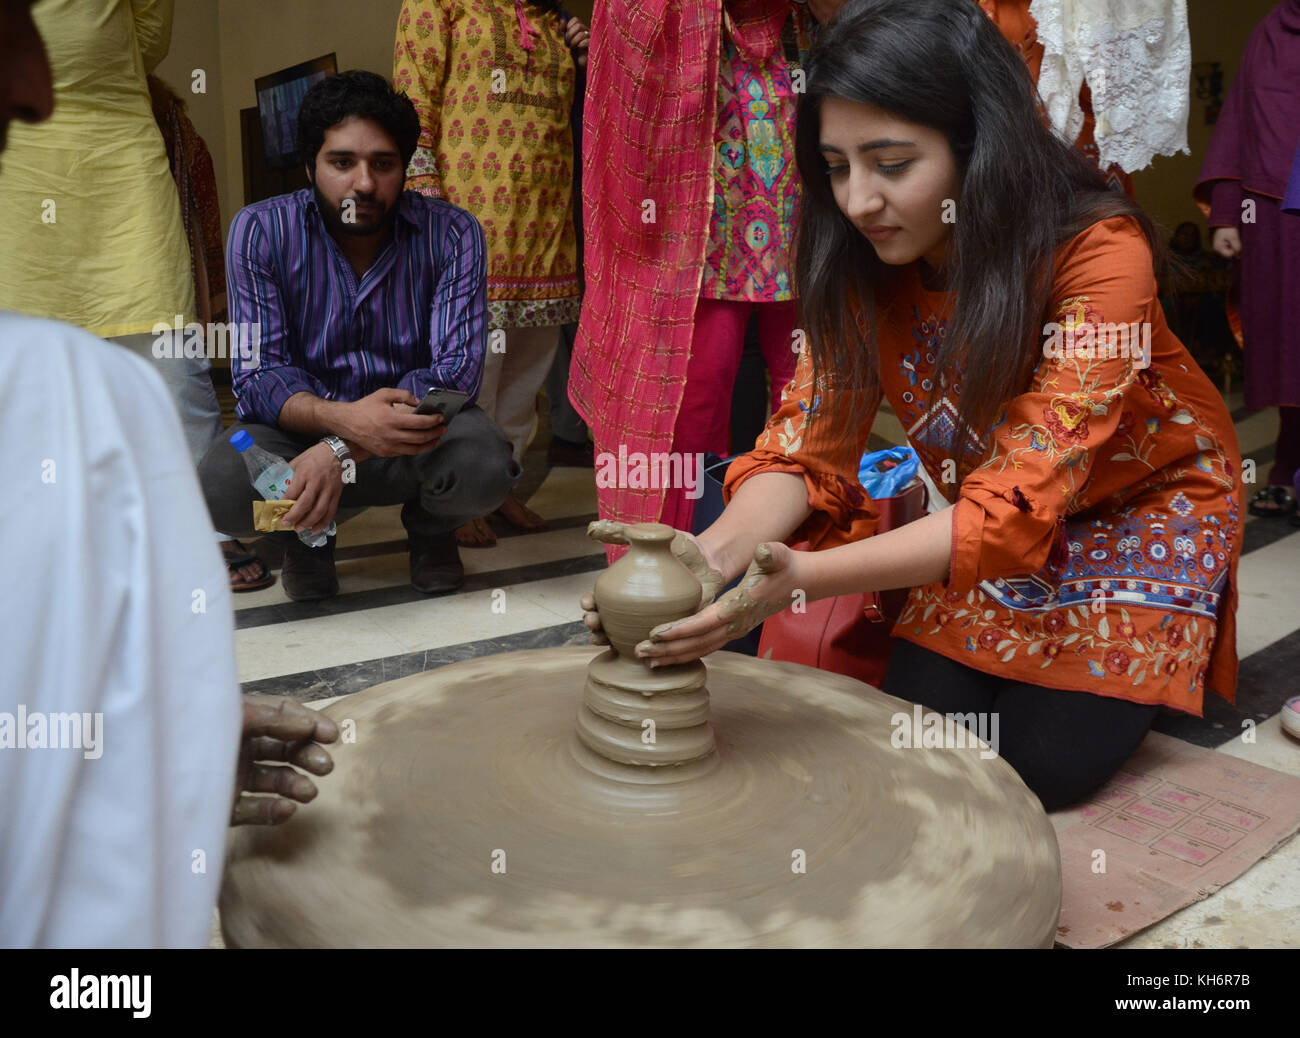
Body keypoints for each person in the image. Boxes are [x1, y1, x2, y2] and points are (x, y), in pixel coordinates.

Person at [584, 0, 1243, 812]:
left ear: (976, 143)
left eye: (891, 163)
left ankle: (1161, 641)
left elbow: (1018, 505)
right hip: (994, 515)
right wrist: (712, 559)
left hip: (1142, 506)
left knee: (1040, 766)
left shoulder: (1099, 254)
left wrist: (805, 579)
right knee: (921, 729)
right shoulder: (862, 261)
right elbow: (806, 446)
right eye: (835, 165)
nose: (857, 201)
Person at [198, 70, 519, 601]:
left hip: (415, 437)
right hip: (299, 437)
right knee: (221, 487)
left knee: (484, 463)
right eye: (342, 162)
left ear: (404, 170)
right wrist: (340, 426)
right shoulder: (259, 231)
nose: (364, 184)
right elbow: (258, 379)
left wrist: (338, 450)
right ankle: (308, 536)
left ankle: (432, 531)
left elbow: (453, 374)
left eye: (383, 164)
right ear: (310, 167)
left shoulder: (453, 233)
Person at [0, 0, 271, 594]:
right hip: (18, 167)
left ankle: (204, 524)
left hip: (118, 154)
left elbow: (147, 36)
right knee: (27, 363)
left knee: (169, 355)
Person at [395, 0, 590, 547]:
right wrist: (427, 205)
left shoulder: (554, 21)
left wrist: (585, 60)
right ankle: (458, 491)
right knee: (470, 370)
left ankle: (500, 483)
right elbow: (412, 104)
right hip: (468, 224)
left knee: (527, 377)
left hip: (546, 225)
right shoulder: (440, 5)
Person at [1195, 1, 1300, 524]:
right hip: (1278, 216)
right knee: (1287, 348)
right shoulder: (1272, 33)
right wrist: (1229, 214)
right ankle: (1285, 468)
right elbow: (1237, 125)